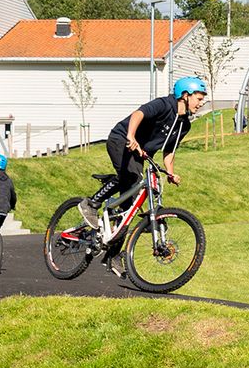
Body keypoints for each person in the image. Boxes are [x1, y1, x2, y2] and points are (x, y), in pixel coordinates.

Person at [84, 77, 209, 273]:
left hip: (141, 153)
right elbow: (138, 114)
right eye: (199, 99)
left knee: (130, 206)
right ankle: (91, 203)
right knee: (132, 177)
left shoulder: (184, 125)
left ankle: (113, 254)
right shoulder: (164, 105)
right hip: (122, 140)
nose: (201, 104)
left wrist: (171, 172)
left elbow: (169, 151)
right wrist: (131, 136)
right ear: (185, 95)